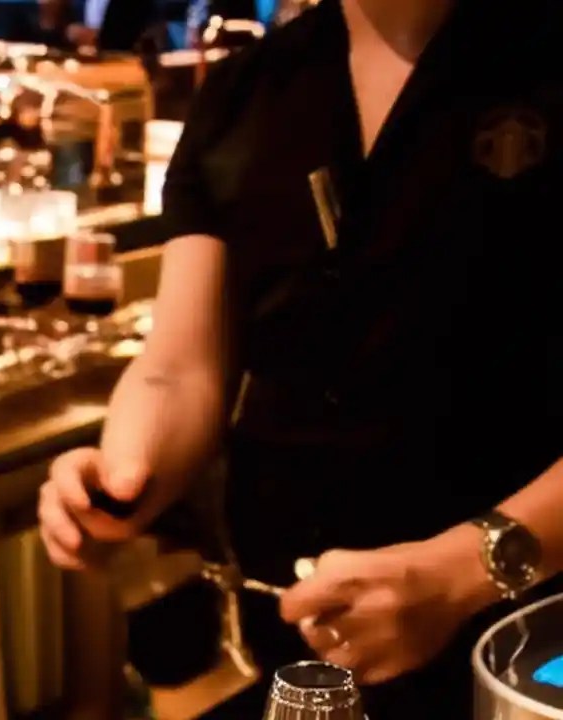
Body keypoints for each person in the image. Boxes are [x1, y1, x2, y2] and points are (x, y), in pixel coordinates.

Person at [37, 0, 562, 717]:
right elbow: (178, 368)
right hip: (304, 656)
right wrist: (121, 477)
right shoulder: (246, 92)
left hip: (527, 662)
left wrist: (460, 573)